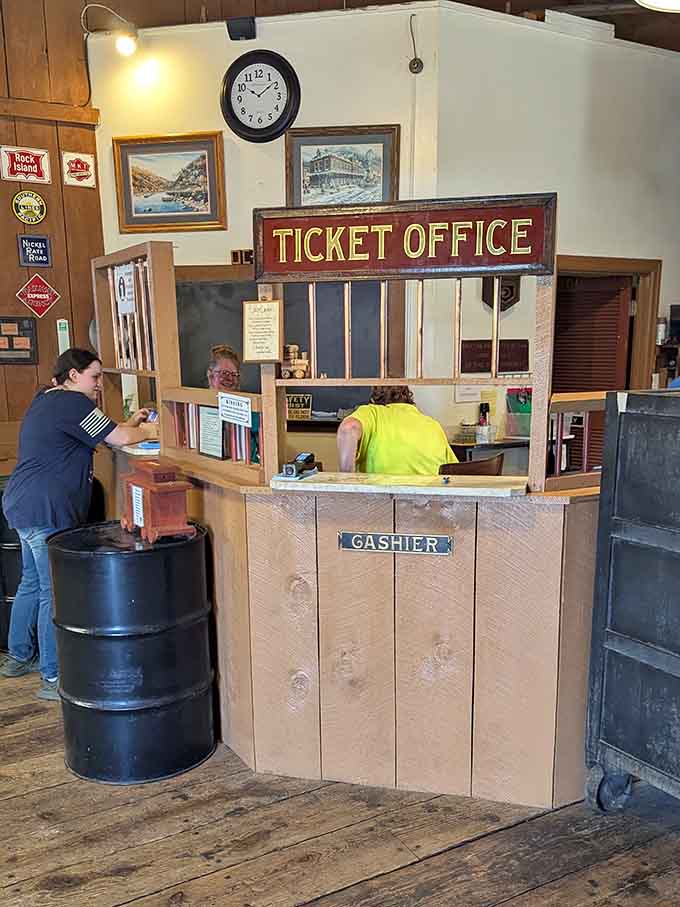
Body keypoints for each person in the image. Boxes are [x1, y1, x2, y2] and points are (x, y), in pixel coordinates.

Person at [0, 348, 158, 701]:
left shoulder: (48, 399)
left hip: (22, 503)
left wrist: (132, 424)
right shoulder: (72, 404)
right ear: (73, 375)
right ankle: (54, 677)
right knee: (51, 591)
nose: (99, 385)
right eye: (95, 376)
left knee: (30, 582)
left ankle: (18, 656)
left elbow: (106, 433)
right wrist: (154, 428)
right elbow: (118, 439)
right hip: (45, 510)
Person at [336, 385, 457, 475]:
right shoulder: (433, 425)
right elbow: (455, 472)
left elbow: (348, 428)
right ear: (409, 400)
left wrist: (347, 482)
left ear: (374, 400)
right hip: (428, 505)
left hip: (382, 504)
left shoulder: (373, 413)